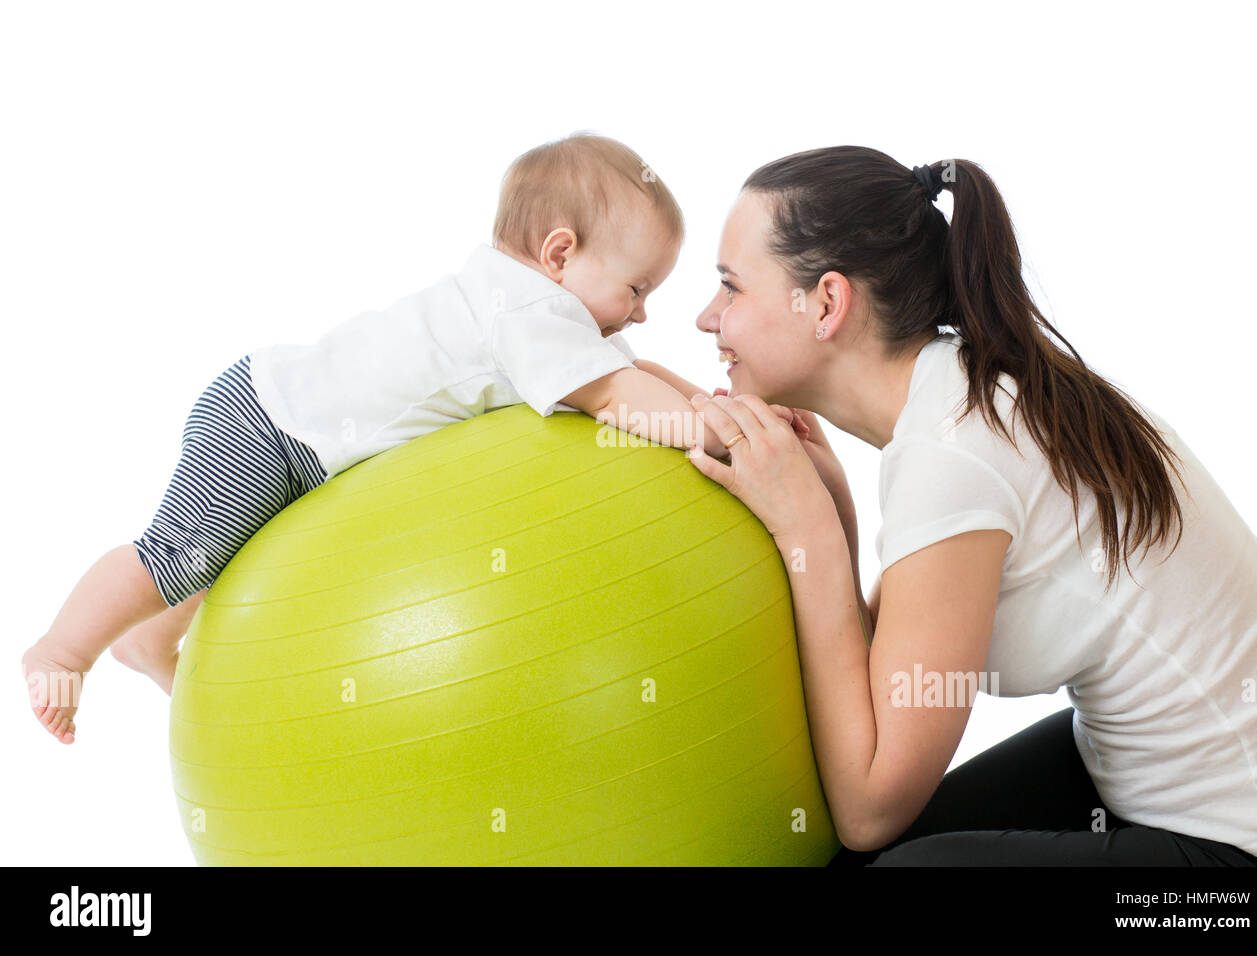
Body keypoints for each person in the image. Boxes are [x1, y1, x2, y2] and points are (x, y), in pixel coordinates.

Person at [20, 132, 779, 745]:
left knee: (219, 551)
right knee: (184, 551)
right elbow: (616, 393)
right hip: (270, 425)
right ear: (559, 254)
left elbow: (631, 369)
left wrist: (714, 404)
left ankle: (146, 642)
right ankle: (63, 648)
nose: (641, 312)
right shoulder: (527, 317)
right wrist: (712, 435)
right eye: (638, 288)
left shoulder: (537, 310)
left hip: (293, 425)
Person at [681, 145, 1257, 866]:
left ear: (826, 303)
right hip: (1162, 785)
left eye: (730, 287)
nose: (705, 317)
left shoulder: (954, 451)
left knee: (895, 868)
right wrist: (835, 513)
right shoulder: (964, 393)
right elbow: (883, 680)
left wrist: (809, 531)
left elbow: (869, 807)